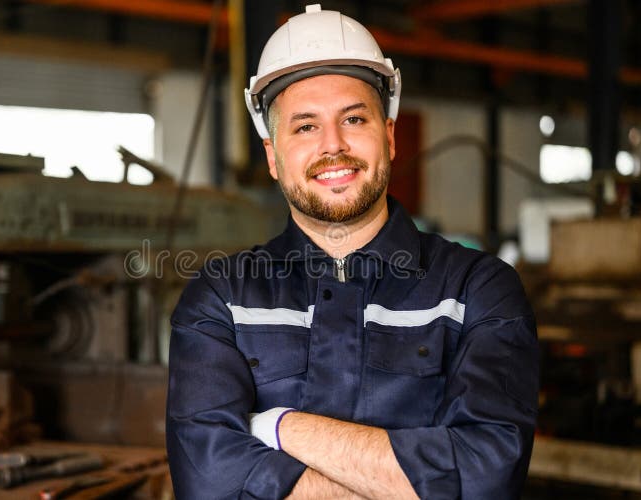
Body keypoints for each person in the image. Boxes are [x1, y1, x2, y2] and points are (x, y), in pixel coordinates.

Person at [166, 4, 539, 499]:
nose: (333, 146)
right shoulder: (221, 298)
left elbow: (487, 476)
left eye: (354, 118)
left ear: (387, 136)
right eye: (304, 126)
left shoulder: (479, 289)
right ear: (274, 158)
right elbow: (209, 482)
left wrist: (280, 427)